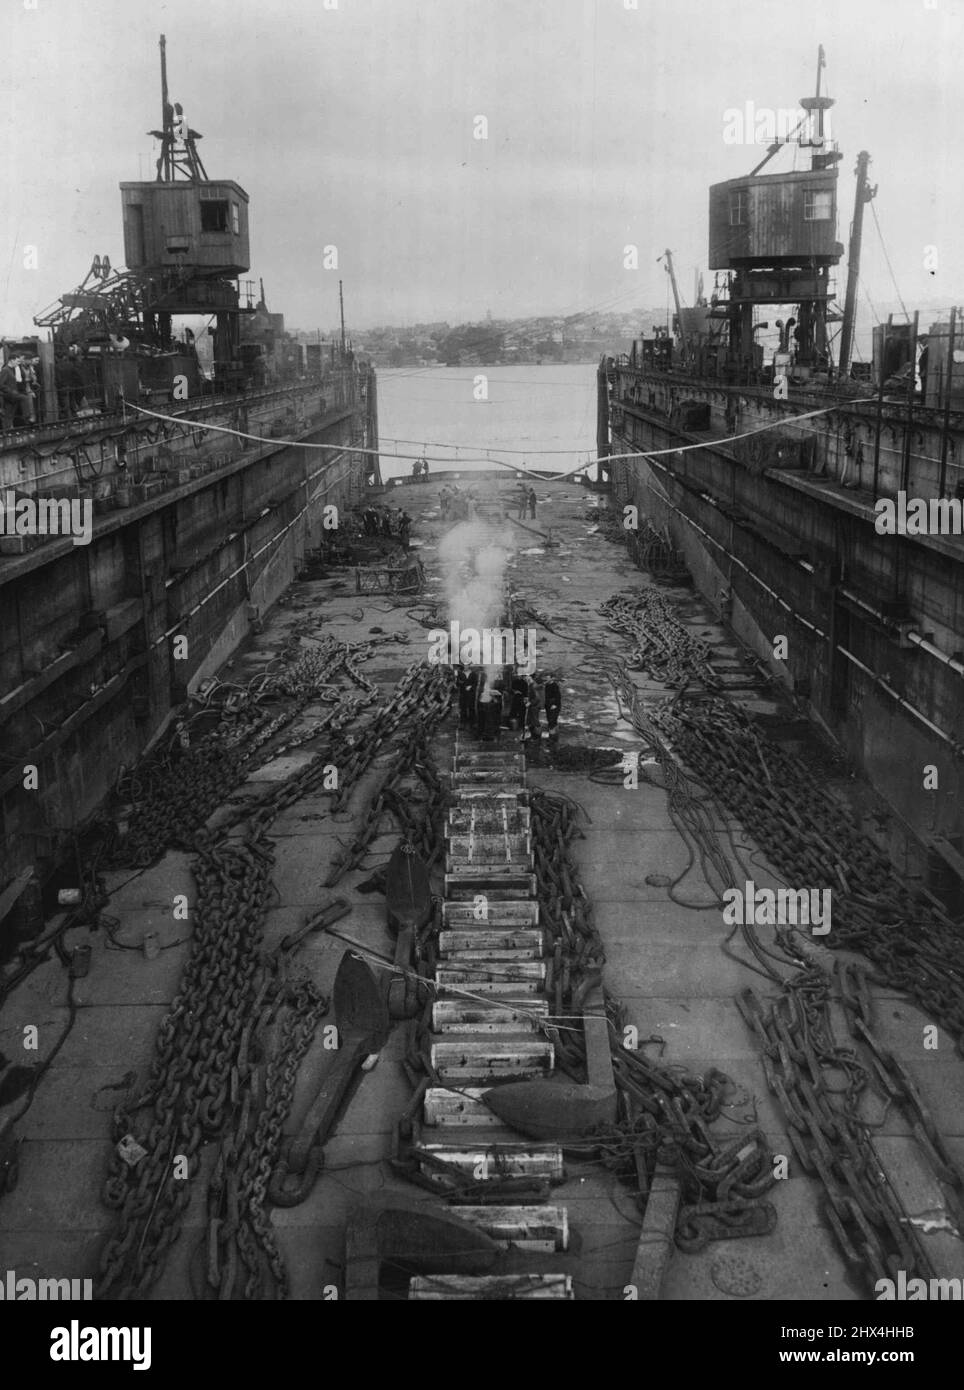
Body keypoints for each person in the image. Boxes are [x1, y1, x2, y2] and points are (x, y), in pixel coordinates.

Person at [0, 356, 28, 430]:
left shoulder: (11, 370)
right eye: (17, 361)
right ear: (12, 360)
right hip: (9, 394)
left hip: (11, 395)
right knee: (24, 398)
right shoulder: (5, 370)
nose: (18, 363)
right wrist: (10, 391)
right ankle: (27, 417)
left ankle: (8, 429)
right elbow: (1, 384)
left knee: (9, 414)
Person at [524, 673, 544, 744]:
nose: (525, 678)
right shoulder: (530, 685)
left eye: (526, 676)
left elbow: (537, 698)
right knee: (530, 721)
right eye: (525, 677)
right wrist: (527, 699)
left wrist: (530, 702)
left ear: (530, 677)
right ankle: (533, 736)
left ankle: (537, 737)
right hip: (532, 706)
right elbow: (531, 696)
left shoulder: (533, 686)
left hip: (535, 706)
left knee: (535, 721)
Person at [544, 674, 562, 739]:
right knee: (549, 719)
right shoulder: (547, 685)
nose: (546, 679)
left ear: (552, 678)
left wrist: (555, 705)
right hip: (548, 705)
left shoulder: (555, 686)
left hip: (554, 705)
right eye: (546, 678)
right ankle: (553, 734)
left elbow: (558, 696)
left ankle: (553, 736)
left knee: (552, 720)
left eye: (548, 678)